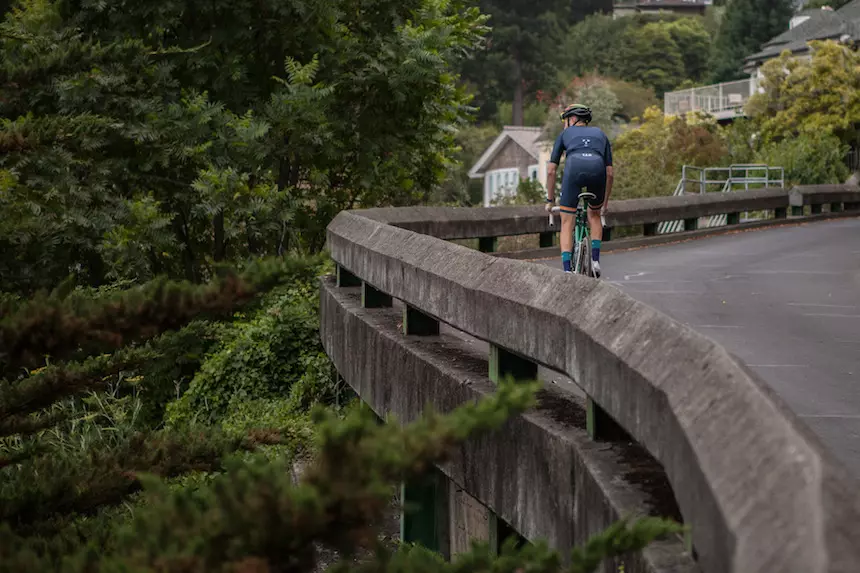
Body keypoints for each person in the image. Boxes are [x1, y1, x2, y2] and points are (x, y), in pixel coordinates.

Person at [544, 104, 613, 277]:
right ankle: (595, 261)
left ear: (572, 119)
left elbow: (551, 170)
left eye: (565, 120)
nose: (564, 125)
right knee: (594, 215)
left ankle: (567, 271)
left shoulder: (564, 134)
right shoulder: (601, 134)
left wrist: (549, 200)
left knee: (567, 221)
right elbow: (610, 173)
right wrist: (604, 203)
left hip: (574, 168)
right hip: (598, 169)